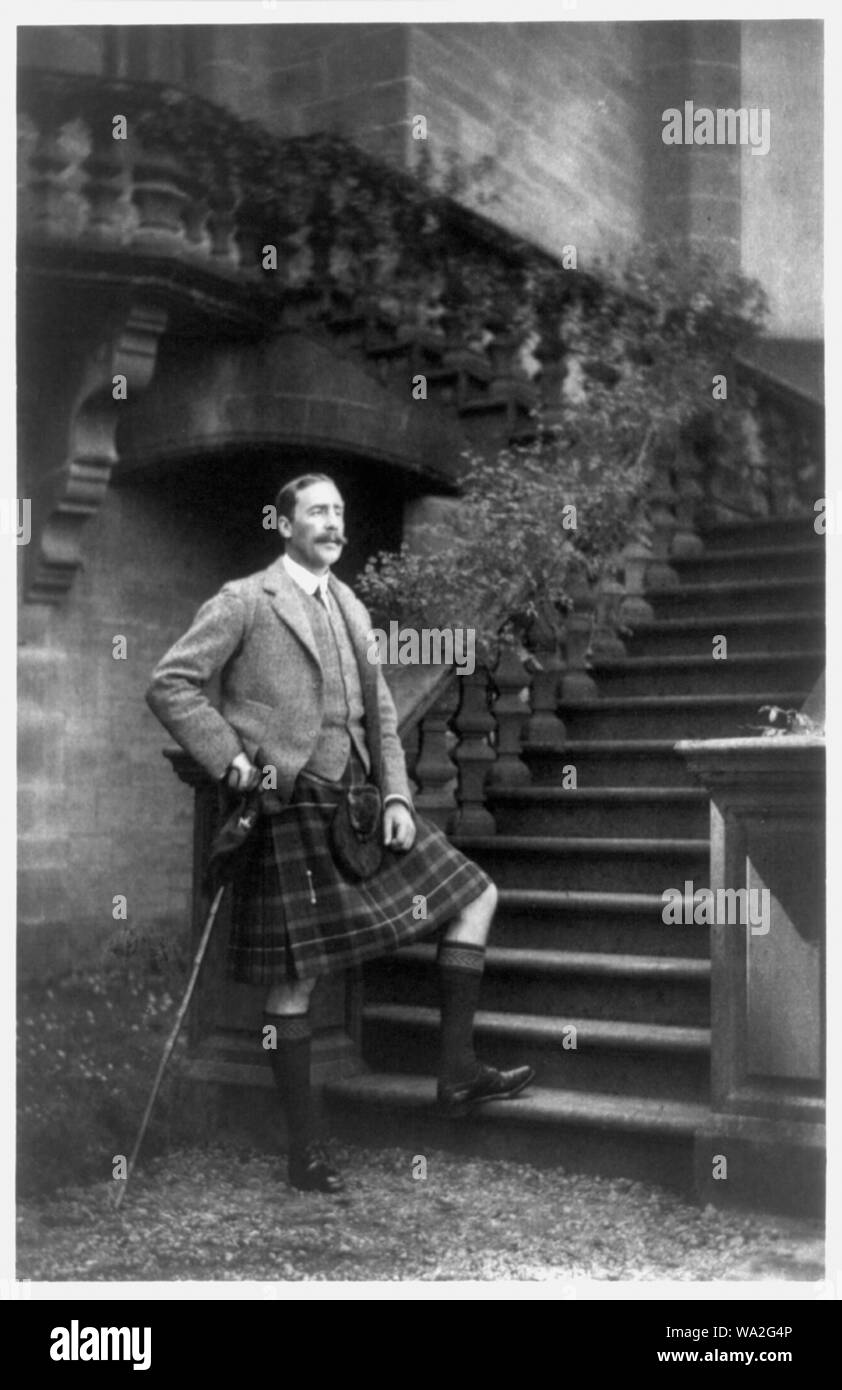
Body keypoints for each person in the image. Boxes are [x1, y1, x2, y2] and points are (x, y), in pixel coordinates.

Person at [146, 473, 534, 1192]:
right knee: (298, 981)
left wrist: (396, 794)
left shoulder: (349, 601)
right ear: (283, 523)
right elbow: (170, 682)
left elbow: (382, 712)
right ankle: (307, 1150)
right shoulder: (244, 601)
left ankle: (456, 1074)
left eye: (340, 514)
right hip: (291, 805)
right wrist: (232, 761)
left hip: (359, 806)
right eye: (318, 512)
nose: (334, 524)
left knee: (475, 894)